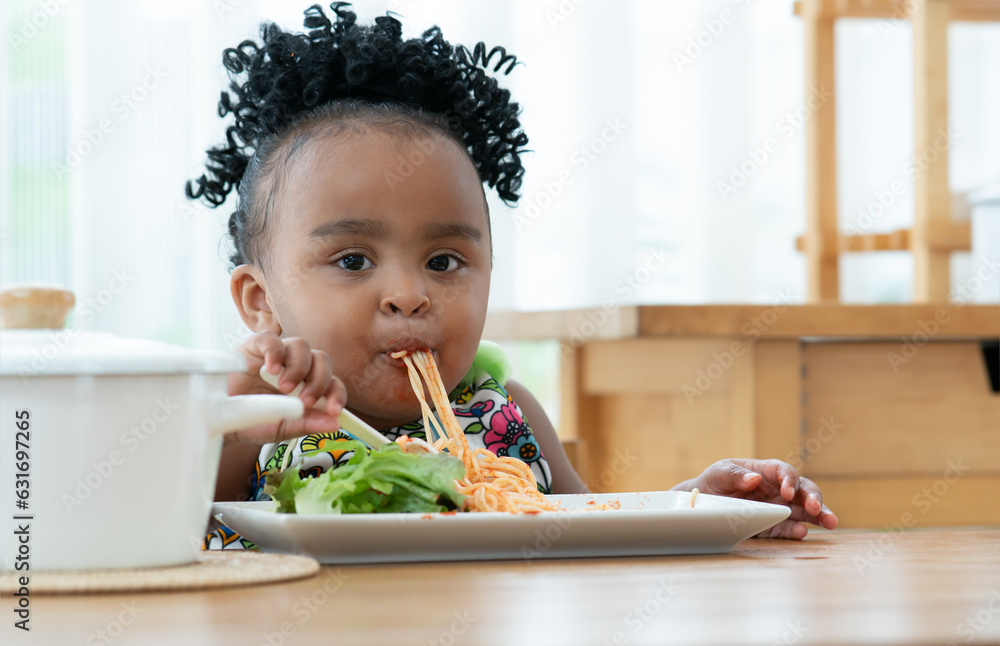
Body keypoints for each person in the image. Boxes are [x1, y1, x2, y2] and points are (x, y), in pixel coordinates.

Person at [188, 3, 837, 548]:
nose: (410, 295)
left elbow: (597, 530)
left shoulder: (506, 416)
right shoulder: (252, 424)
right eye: (353, 260)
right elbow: (173, 538)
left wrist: (710, 505)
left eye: (444, 262)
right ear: (260, 300)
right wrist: (247, 402)